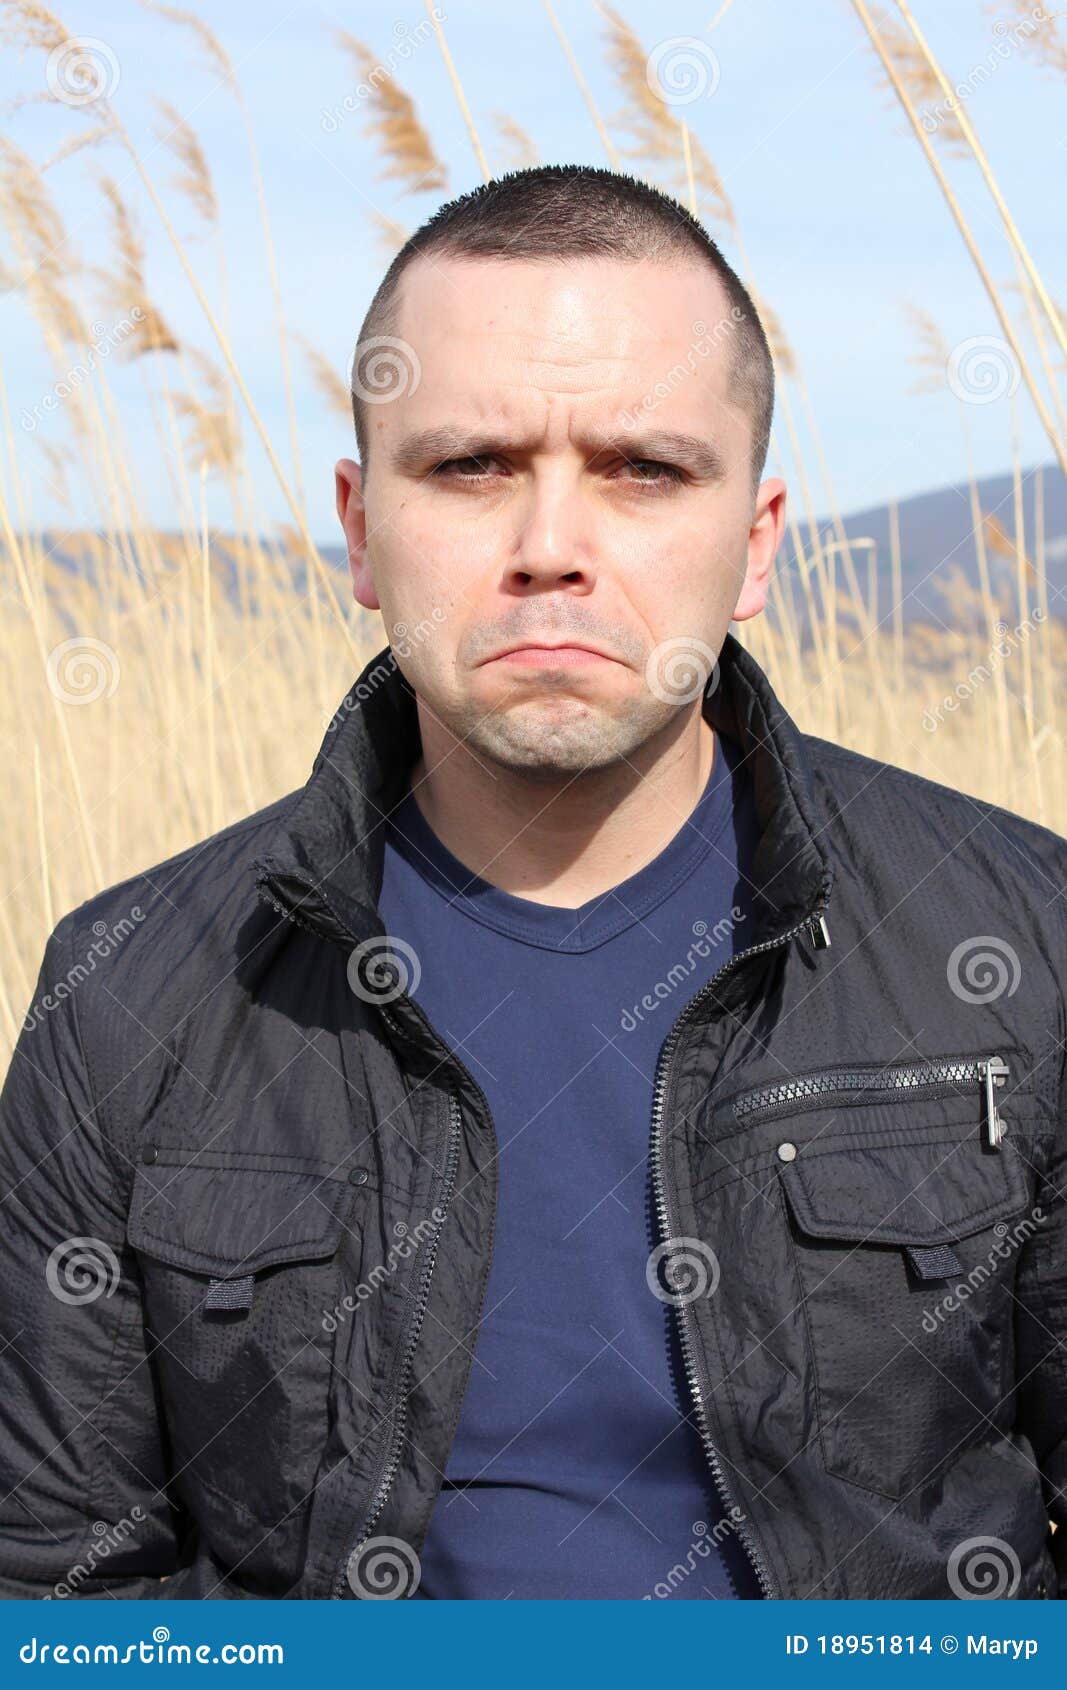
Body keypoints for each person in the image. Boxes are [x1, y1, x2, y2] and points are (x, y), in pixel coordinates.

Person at [0, 165, 1063, 1602]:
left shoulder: (1017, 939)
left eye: (643, 470)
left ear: (755, 544)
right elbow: (62, 1593)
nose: (551, 550)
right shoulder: (132, 990)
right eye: (472, 466)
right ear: (360, 528)